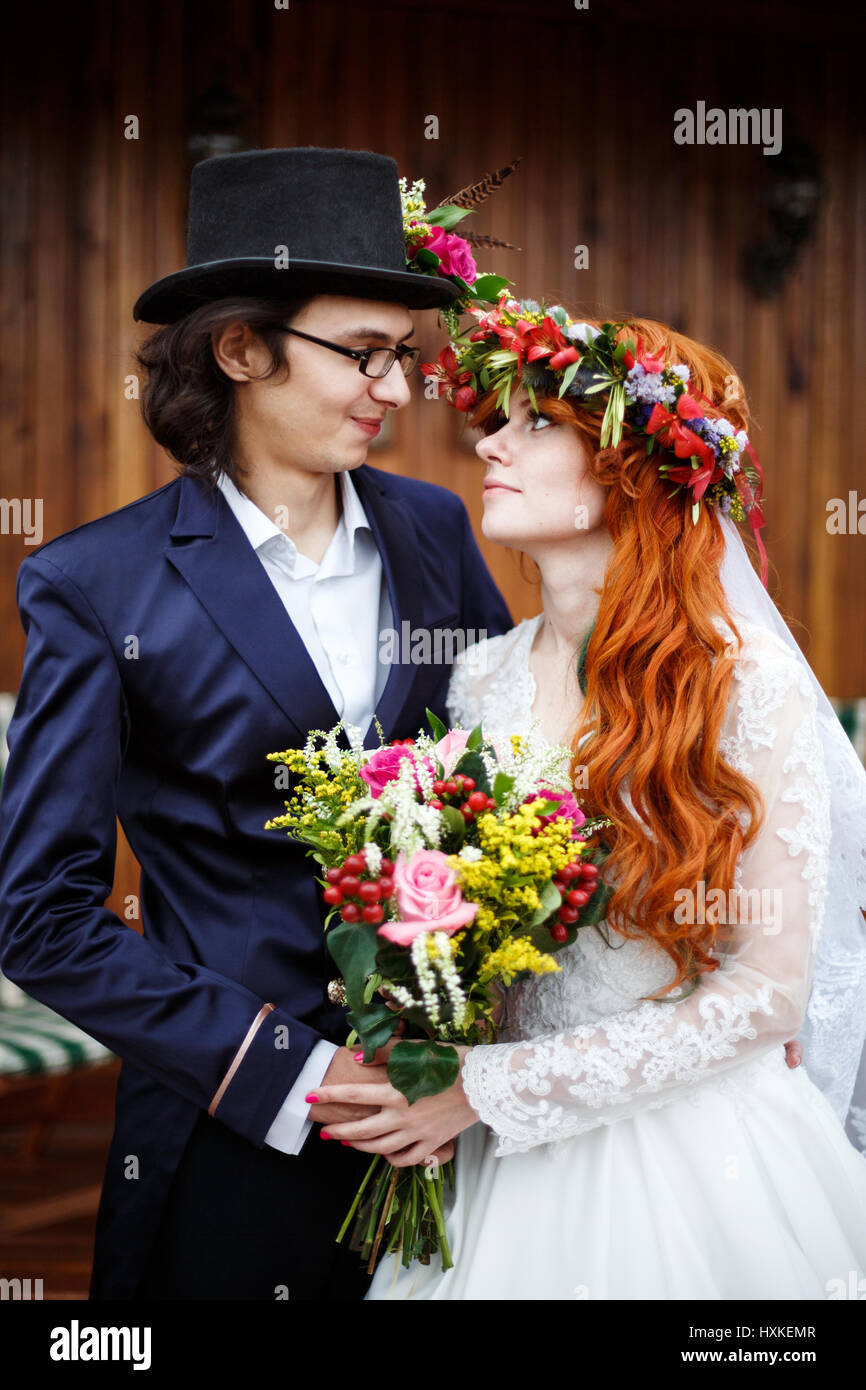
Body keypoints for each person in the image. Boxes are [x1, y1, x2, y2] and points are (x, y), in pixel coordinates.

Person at [0, 147, 513, 1300]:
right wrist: (289, 1071)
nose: (394, 387)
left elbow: (509, 781)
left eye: (403, 357)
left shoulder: (434, 530)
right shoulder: (97, 583)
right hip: (232, 1130)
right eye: (362, 354)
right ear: (240, 348)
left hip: (450, 1111)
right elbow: (39, 918)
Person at [310, 299, 866, 1299]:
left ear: (630, 471)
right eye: (497, 419)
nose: (488, 440)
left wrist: (483, 1089)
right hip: (491, 1157)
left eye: (534, 425)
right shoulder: (480, 675)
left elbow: (767, 994)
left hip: (684, 1161)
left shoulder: (745, 688)